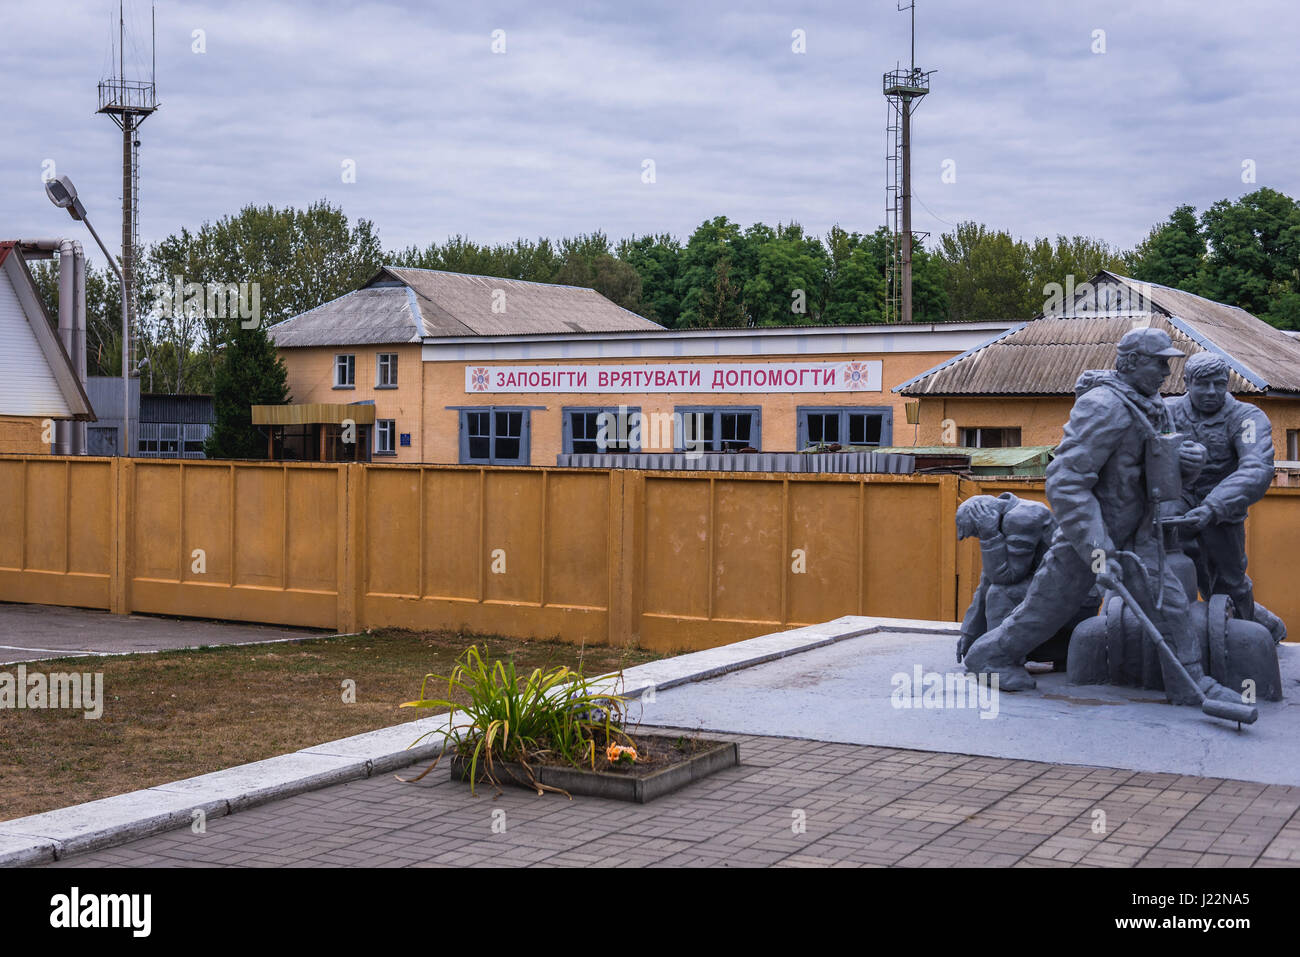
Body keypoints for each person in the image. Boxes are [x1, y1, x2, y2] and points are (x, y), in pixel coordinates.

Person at [962, 327, 1237, 705]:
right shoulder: (1104, 405)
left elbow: (1147, 471)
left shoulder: (1149, 405)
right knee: (1048, 606)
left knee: (1169, 603)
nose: (1166, 373)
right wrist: (1099, 550)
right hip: (1093, 535)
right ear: (1133, 363)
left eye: (1168, 365)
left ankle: (1191, 686)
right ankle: (989, 656)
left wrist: (1189, 462)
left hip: (1137, 536)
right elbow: (1066, 480)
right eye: (1159, 363)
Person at [1165, 352, 1286, 642]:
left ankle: (1252, 638)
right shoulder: (1165, 412)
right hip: (1176, 504)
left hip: (1223, 509)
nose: (1211, 392)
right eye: (1203, 384)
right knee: (1167, 572)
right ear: (1187, 383)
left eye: (1218, 384)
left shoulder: (1245, 418)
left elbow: (1256, 468)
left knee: (1228, 583)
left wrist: (1213, 507)